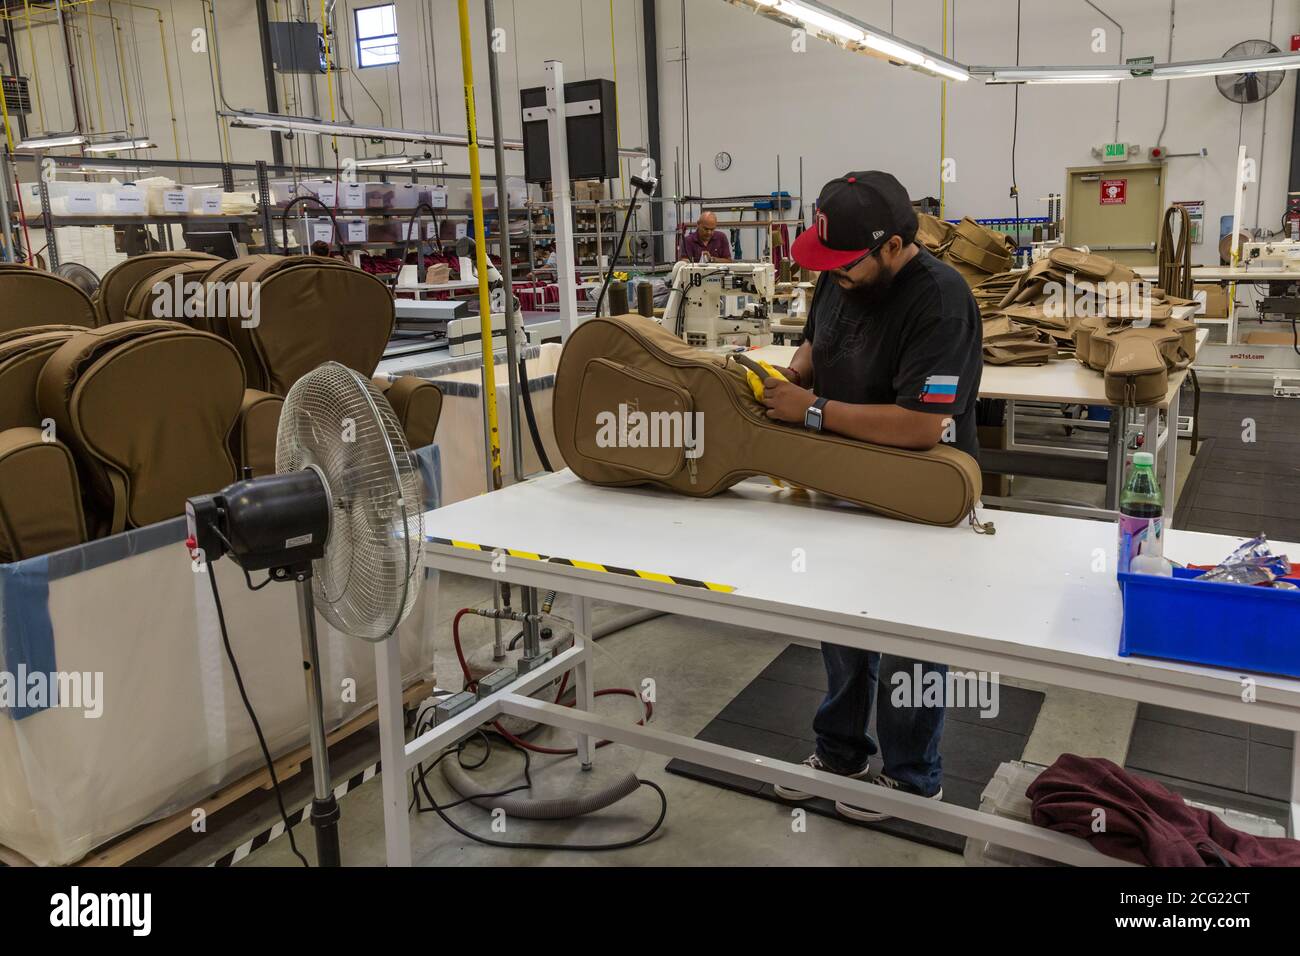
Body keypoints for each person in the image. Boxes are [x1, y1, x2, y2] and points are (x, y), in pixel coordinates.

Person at [763, 170, 983, 821]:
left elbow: (921, 425)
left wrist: (809, 411)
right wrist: (796, 371)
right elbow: (816, 337)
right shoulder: (839, 273)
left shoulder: (941, 301)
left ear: (894, 247)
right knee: (841, 625)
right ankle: (841, 754)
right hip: (846, 480)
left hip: (922, 492)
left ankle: (915, 779)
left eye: (847, 264)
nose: (836, 275)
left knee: (912, 637)